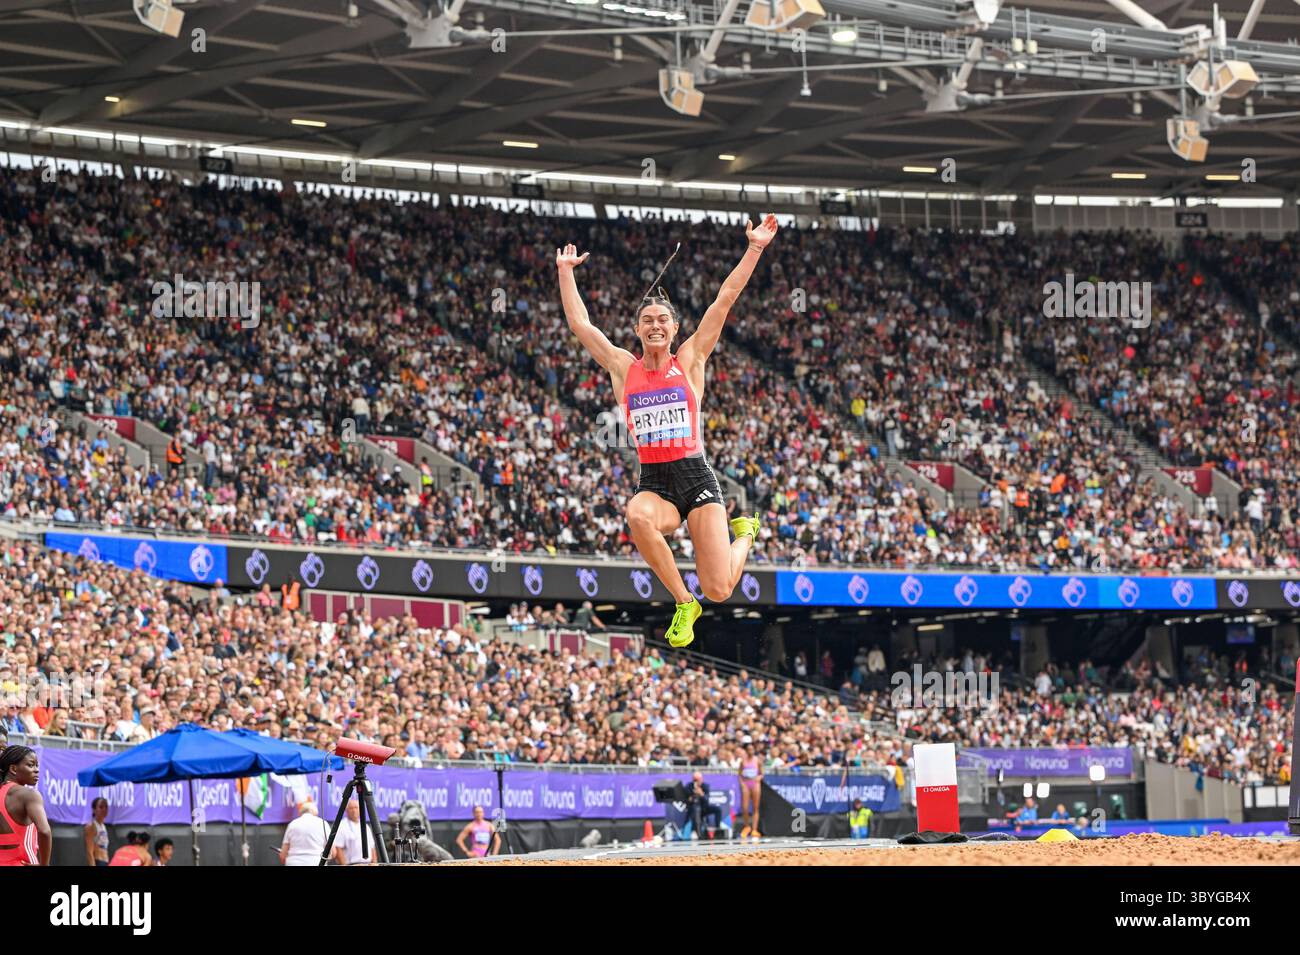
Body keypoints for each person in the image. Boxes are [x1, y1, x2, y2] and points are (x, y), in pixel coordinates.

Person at [555, 214, 780, 648]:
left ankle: (745, 533)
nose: (655, 325)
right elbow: (581, 325)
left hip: (695, 478)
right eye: (647, 320)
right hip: (655, 482)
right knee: (637, 514)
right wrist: (566, 273)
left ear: (675, 328)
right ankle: (683, 602)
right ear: (637, 330)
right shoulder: (624, 367)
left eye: (663, 320)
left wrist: (754, 248)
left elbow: (725, 299)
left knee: (720, 588)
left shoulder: (691, 359)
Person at [0, 745, 51, 865]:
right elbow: (45, 831)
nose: (36, 770)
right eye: (30, 765)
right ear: (13, 769)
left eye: (37, 765)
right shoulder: (30, 795)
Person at [280, 799, 340, 866]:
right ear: (315, 812)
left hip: (293, 862)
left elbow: (283, 855)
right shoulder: (323, 823)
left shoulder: (292, 824)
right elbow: (333, 852)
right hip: (316, 862)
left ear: (300, 813)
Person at [335, 797, 377, 865]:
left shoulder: (366, 826)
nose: (354, 810)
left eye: (356, 808)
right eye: (351, 808)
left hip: (368, 863)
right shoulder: (342, 826)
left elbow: (372, 848)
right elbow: (338, 848)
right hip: (352, 864)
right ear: (346, 810)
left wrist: (375, 863)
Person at [684, 771, 722, 839]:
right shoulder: (688, 786)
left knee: (718, 809)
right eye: (695, 780)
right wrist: (692, 796)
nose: (697, 781)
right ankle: (699, 833)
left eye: (698, 779)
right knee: (696, 809)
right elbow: (685, 800)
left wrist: (701, 794)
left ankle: (718, 830)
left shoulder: (705, 786)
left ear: (701, 779)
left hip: (704, 808)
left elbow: (707, 799)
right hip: (693, 809)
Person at [737, 744, 763, 840]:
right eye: (748, 749)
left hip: (755, 783)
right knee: (745, 807)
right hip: (746, 783)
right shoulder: (742, 761)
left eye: (752, 749)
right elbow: (739, 774)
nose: (750, 751)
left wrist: (758, 778)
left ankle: (754, 829)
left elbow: (761, 773)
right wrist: (742, 784)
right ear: (746, 750)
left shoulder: (757, 760)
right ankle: (747, 826)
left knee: (756, 807)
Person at [84, 796, 110, 866]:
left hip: (105, 861)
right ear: (94, 810)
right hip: (98, 862)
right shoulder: (91, 826)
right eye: (101, 807)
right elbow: (89, 852)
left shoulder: (103, 826)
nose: (104, 809)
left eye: (106, 807)